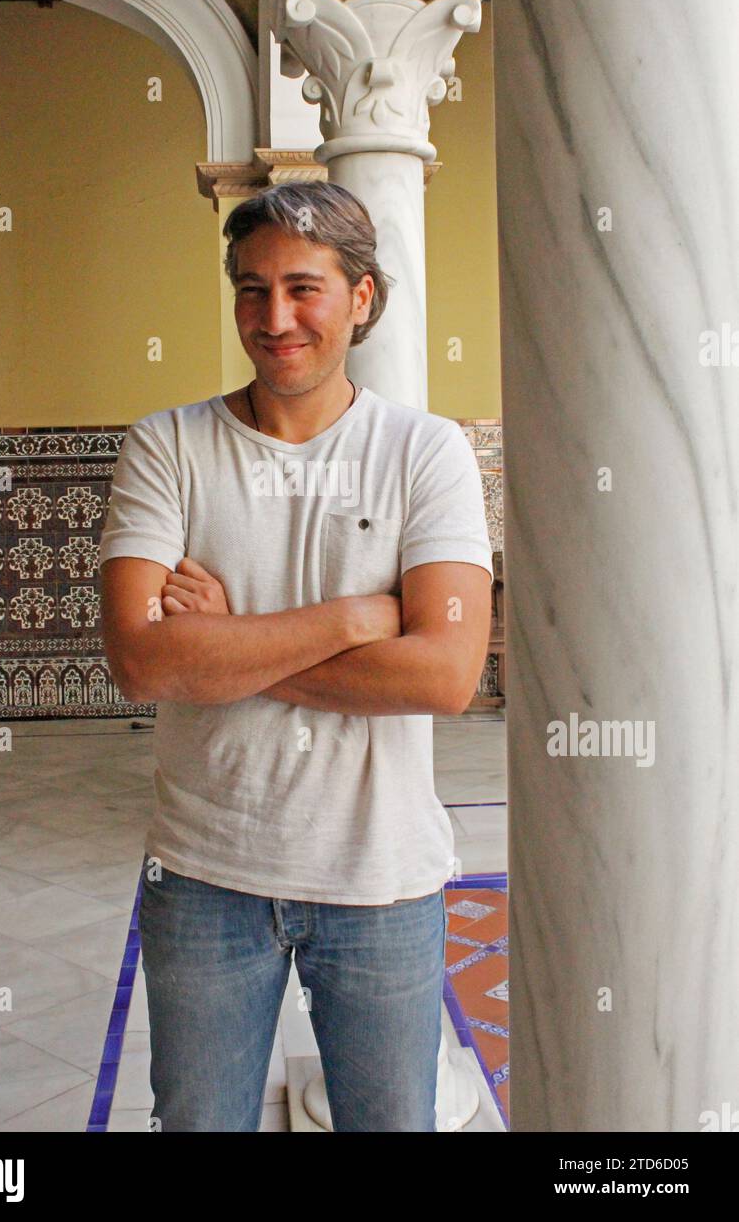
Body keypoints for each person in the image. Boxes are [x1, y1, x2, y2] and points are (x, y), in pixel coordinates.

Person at [98, 181, 494, 1132]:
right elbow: (142, 662)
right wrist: (359, 616)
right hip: (203, 874)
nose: (274, 318)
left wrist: (228, 639)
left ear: (362, 298)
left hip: (379, 879)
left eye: (304, 288)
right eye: (251, 289)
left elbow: (444, 676)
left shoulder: (425, 453)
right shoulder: (169, 447)